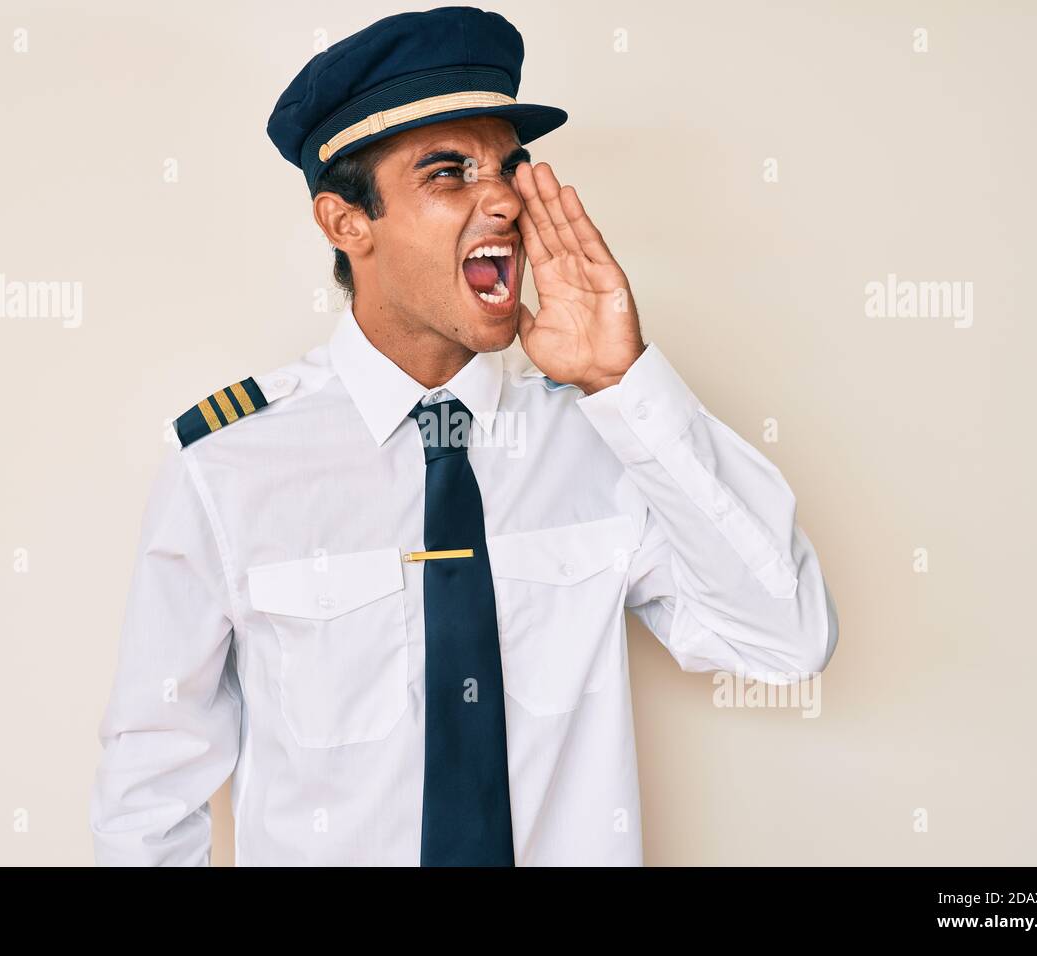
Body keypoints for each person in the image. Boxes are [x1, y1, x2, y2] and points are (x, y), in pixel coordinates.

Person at [90, 6, 838, 867]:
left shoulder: (602, 433)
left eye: (508, 168)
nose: (502, 200)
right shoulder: (228, 467)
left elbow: (786, 641)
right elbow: (150, 790)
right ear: (346, 224)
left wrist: (623, 383)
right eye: (448, 173)